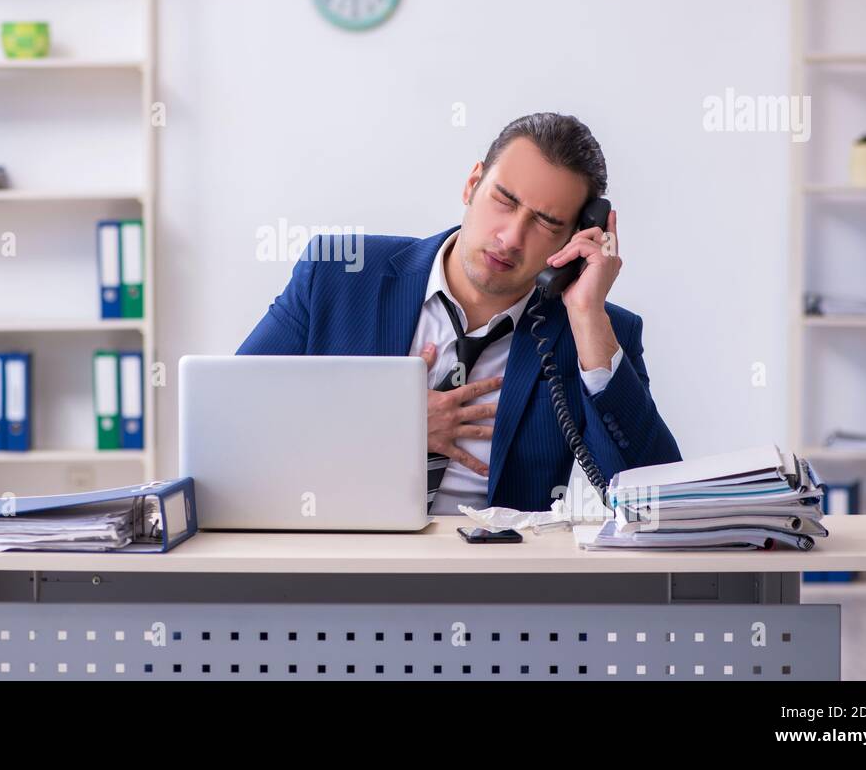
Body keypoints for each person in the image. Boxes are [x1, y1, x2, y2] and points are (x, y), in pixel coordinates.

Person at [237, 112, 681, 513]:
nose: (510, 237)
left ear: (578, 237)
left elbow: (657, 506)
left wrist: (588, 320)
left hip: (487, 588)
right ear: (473, 184)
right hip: (329, 563)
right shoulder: (337, 275)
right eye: (504, 201)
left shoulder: (595, 333)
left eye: (545, 223)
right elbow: (238, 421)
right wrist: (387, 422)